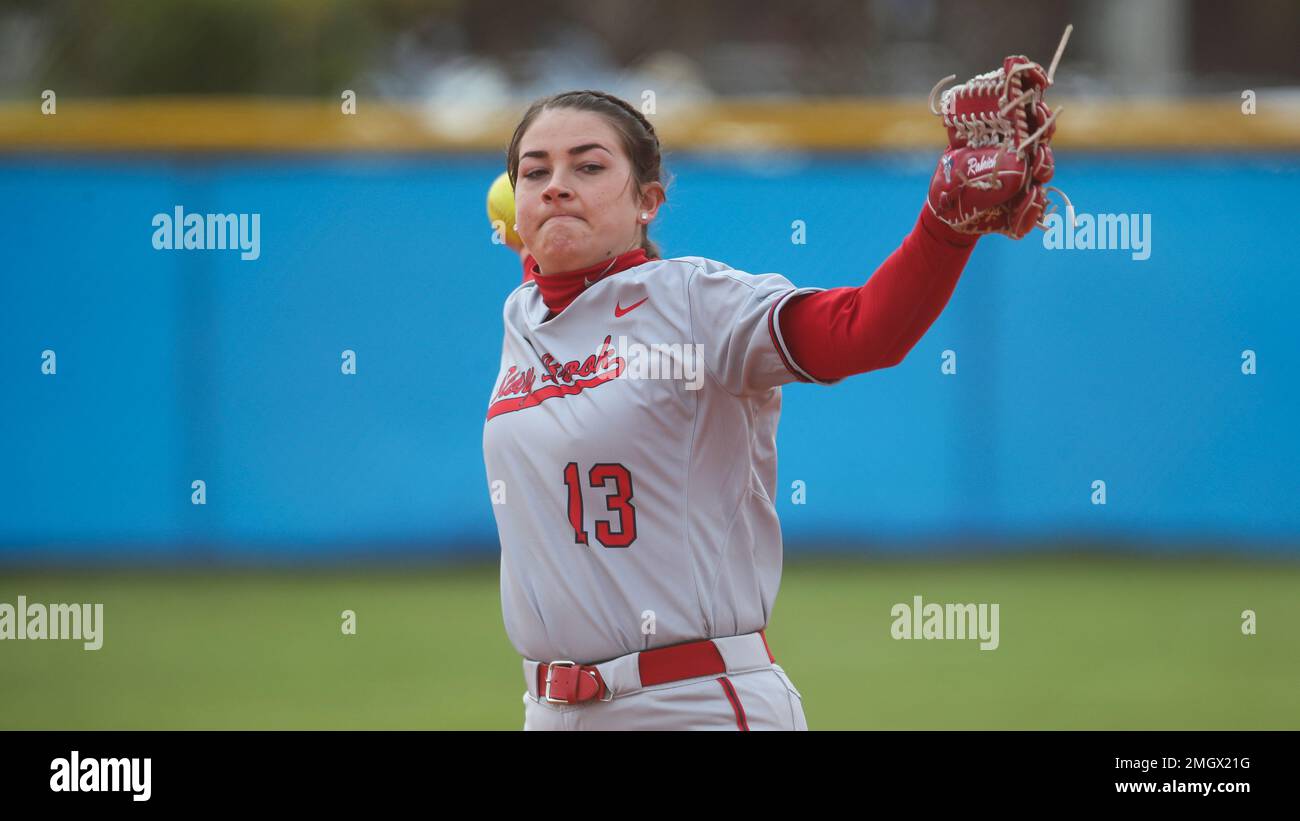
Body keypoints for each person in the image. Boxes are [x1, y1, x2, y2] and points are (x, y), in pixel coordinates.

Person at [482, 74, 1059, 730]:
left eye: (588, 166)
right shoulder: (525, 314)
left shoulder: (695, 302)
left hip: (693, 703)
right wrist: (542, 226)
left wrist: (944, 229)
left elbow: (864, 331)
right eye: (535, 172)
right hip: (550, 712)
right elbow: (559, 279)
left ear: (647, 201)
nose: (557, 182)